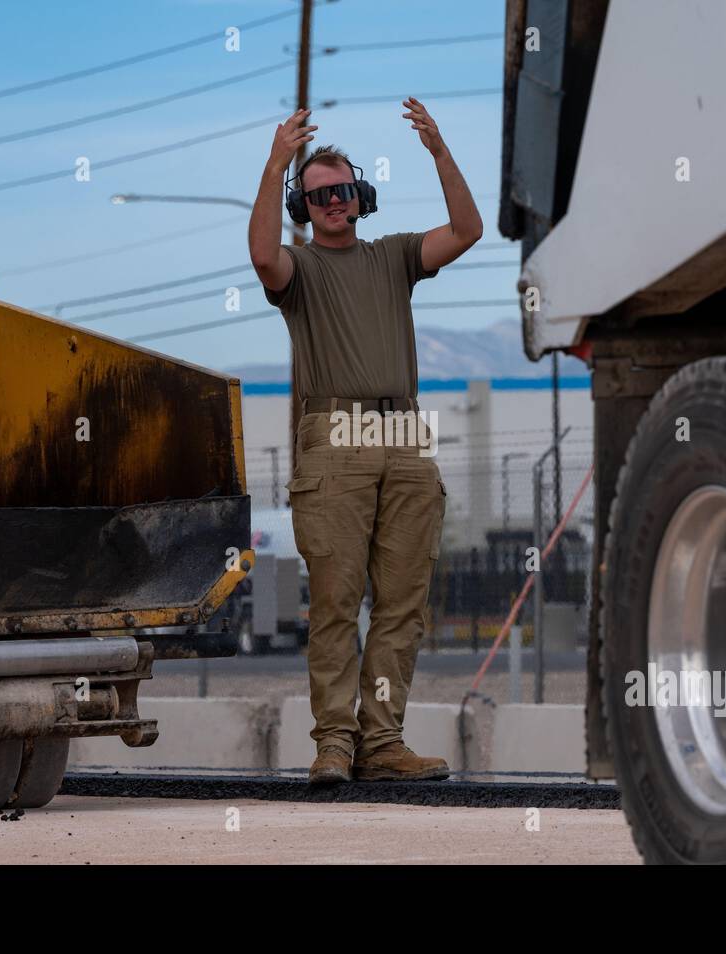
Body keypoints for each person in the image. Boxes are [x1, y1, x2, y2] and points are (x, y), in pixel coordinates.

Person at [247, 98, 483, 785]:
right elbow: (262, 256)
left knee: (403, 605)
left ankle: (383, 744)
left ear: (362, 197)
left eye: (342, 190)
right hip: (335, 437)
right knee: (336, 601)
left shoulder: (395, 257)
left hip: (405, 436)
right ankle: (334, 747)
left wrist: (440, 153)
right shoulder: (300, 270)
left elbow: (468, 229)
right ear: (304, 206)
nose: (332, 203)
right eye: (317, 195)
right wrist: (271, 167)